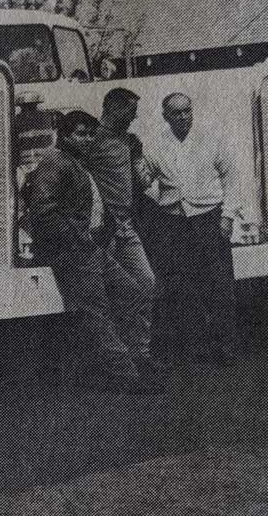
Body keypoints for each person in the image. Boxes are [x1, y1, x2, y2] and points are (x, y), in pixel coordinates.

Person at [26, 110, 161, 393]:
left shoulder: (76, 162)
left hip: (92, 248)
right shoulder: (55, 163)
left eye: (90, 134)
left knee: (132, 293)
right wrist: (77, 239)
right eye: (80, 134)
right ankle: (124, 375)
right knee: (96, 313)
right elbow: (43, 212)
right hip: (75, 252)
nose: (87, 139)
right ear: (64, 136)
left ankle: (129, 360)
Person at [142, 92, 239, 365]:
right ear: (166, 116)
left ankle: (226, 348)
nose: (183, 117)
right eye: (177, 113)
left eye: (187, 111)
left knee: (219, 285)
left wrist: (228, 216)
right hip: (174, 223)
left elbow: (231, 177)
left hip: (209, 219)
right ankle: (196, 348)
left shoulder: (211, 138)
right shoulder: (156, 145)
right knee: (184, 287)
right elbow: (145, 178)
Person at [84, 88, 157, 366]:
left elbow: (143, 182)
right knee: (113, 293)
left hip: (128, 227)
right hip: (106, 230)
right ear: (113, 109)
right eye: (130, 113)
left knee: (146, 283)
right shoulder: (93, 139)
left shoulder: (129, 141)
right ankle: (118, 359)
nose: (133, 118)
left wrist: (139, 157)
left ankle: (142, 352)